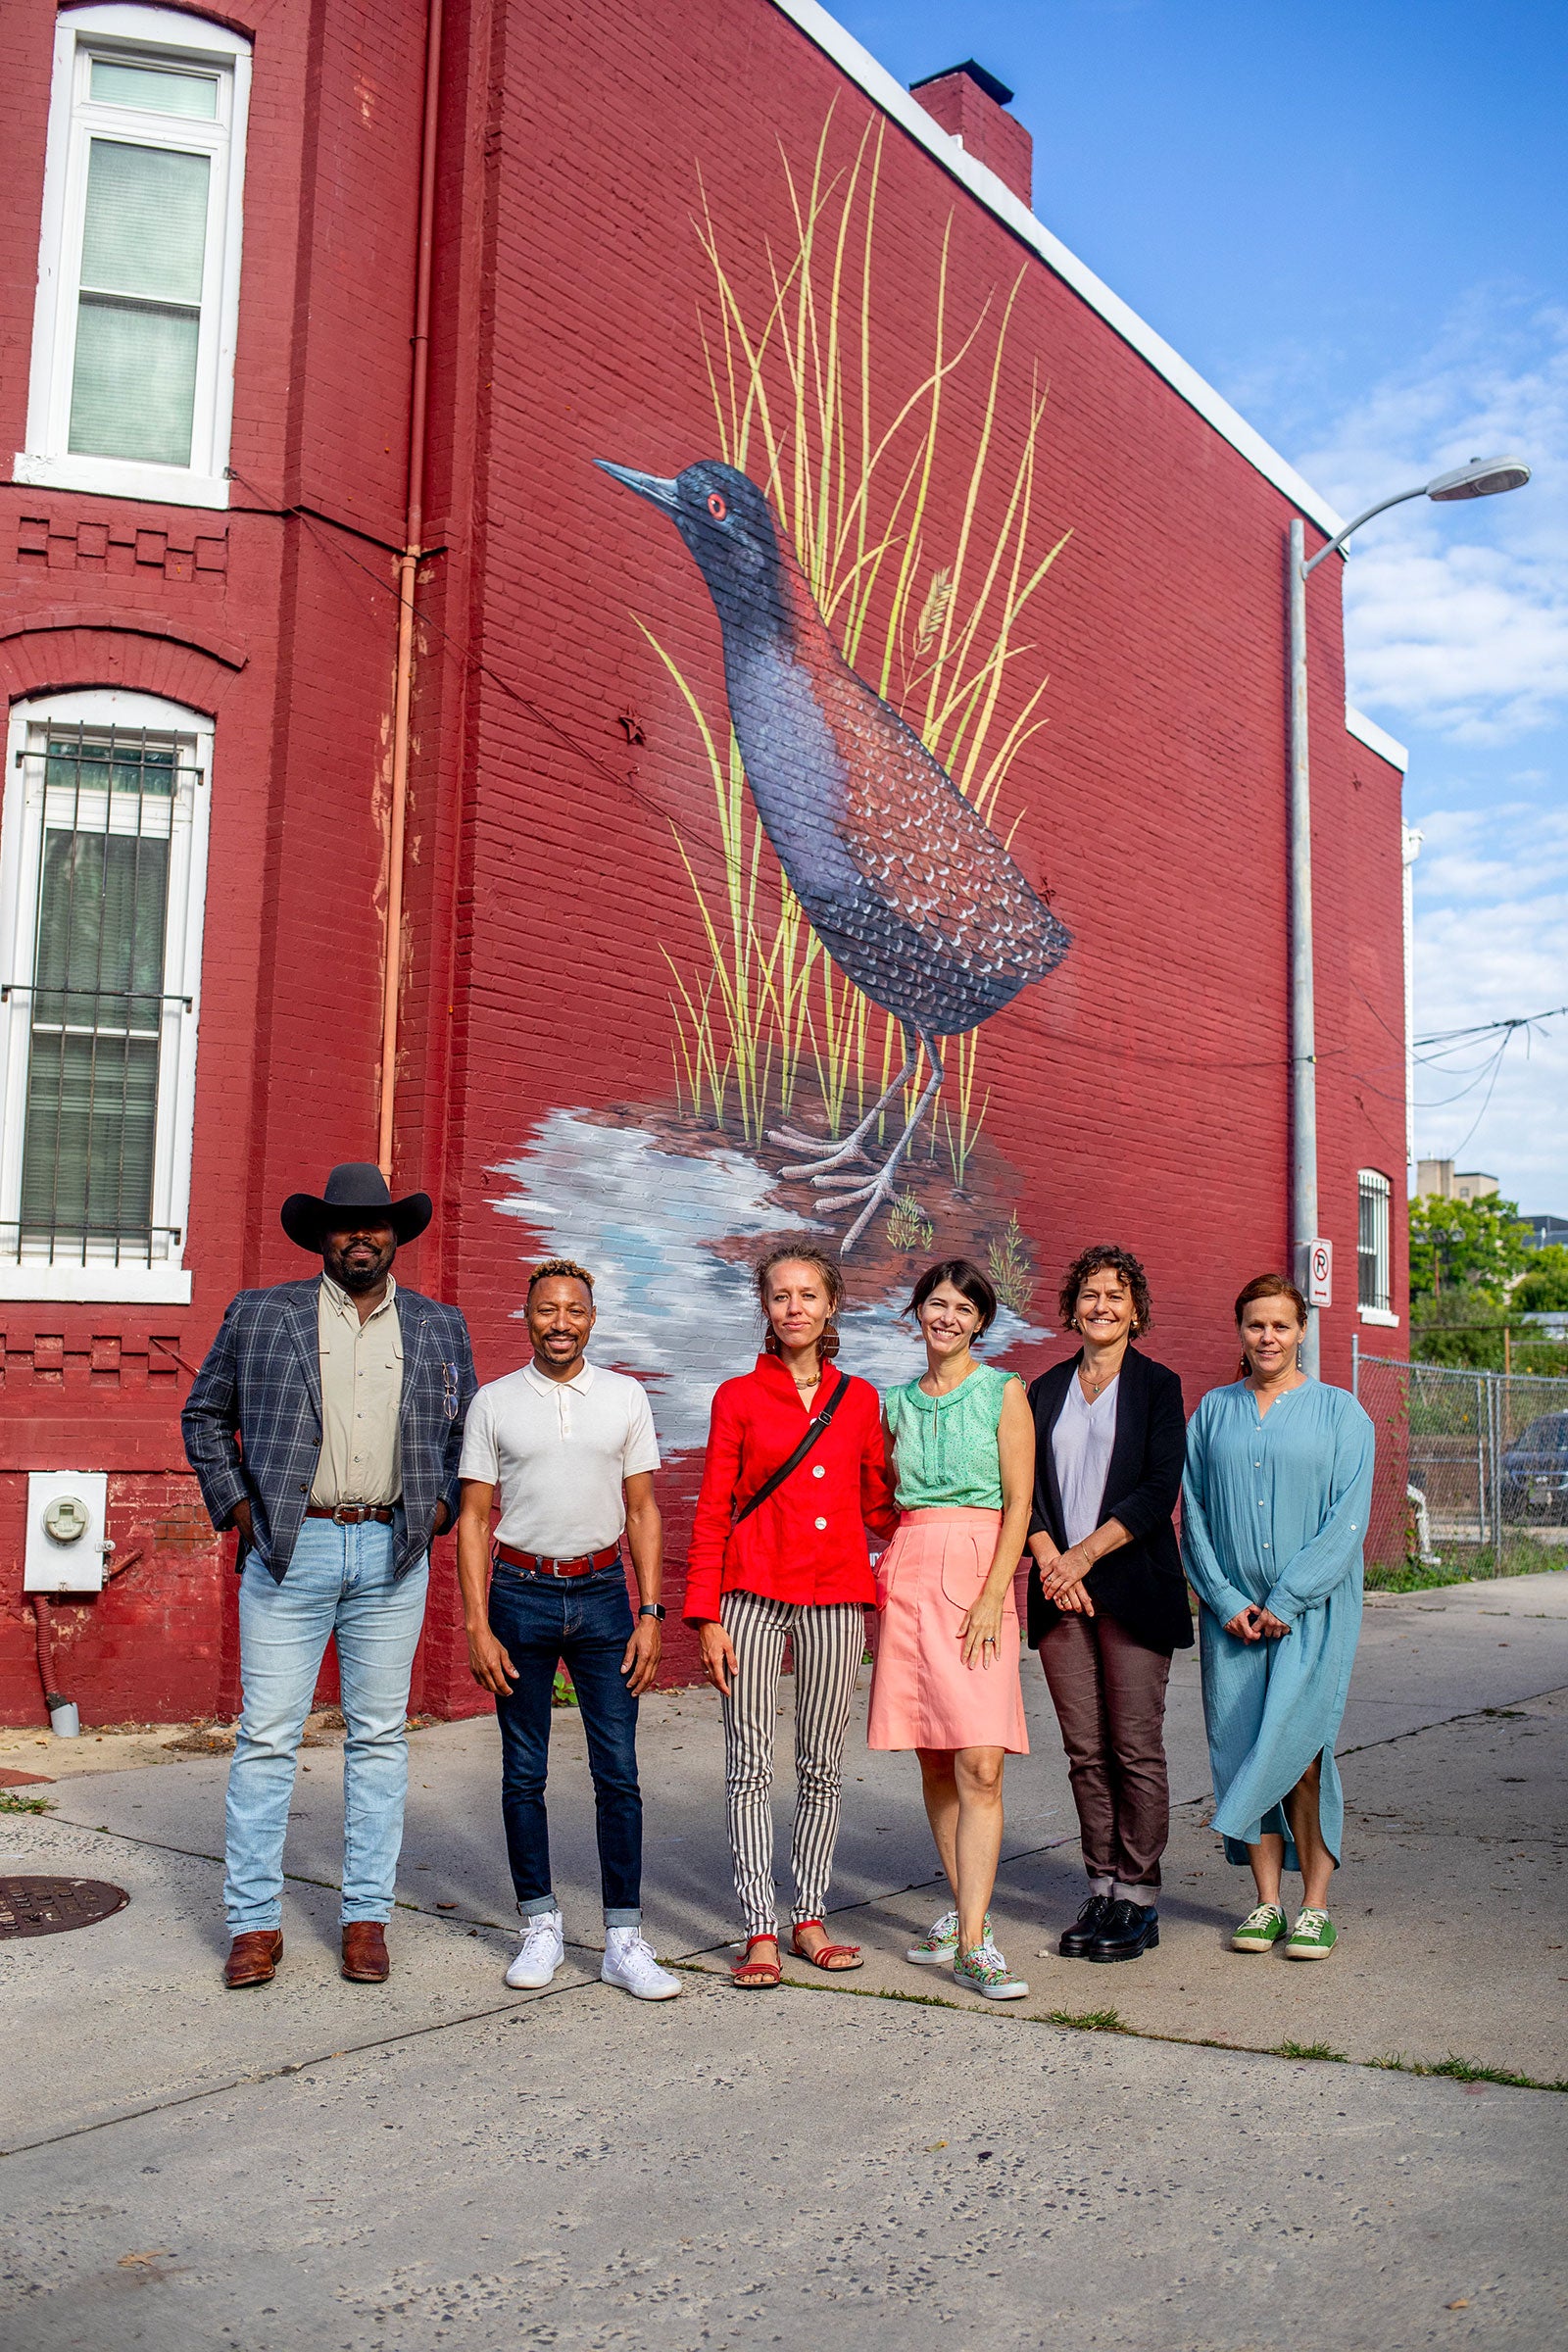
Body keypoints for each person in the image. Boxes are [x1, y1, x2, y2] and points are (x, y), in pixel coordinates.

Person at [183, 1163, 476, 1989]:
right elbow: (205, 1415)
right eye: (345, 1223)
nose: (361, 1235)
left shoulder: (438, 1325)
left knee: (379, 1740)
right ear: (321, 1235)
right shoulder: (262, 1314)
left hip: (392, 1551)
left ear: (396, 1236)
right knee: (268, 1739)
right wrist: (240, 1509)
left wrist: (441, 1511)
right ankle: (253, 1925)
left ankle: (366, 1919)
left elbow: (467, 1433)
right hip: (289, 1549)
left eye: (376, 1223)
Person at [456, 1258, 681, 2001]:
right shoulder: (494, 1402)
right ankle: (540, 1923)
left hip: (605, 1597)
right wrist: (478, 1623)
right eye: (547, 1310)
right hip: (518, 1593)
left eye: (574, 1311)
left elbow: (644, 1510)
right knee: (524, 1772)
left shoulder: (624, 1397)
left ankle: (623, 1937)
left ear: (592, 1318)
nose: (560, 1322)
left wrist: (651, 1612)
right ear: (526, 1318)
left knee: (618, 1772)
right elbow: (474, 1520)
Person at [686, 1247, 896, 1988]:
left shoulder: (861, 1400)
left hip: (837, 1597)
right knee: (749, 1766)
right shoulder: (737, 1397)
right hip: (749, 1597)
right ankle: (758, 1928)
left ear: (831, 1305)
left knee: (822, 1766)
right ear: (766, 1309)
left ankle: (808, 1914)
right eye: (781, 1296)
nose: (795, 1307)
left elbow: (879, 1505)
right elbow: (713, 1512)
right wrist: (705, 1615)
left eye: (809, 1295)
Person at [1181, 1274, 1375, 1962]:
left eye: (1281, 1326)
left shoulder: (1342, 1414)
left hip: (1311, 1613)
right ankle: (1265, 1904)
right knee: (1241, 1752)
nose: (1268, 1337)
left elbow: (1346, 1522)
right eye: (1256, 1325)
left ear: (1301, 1332)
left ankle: (1315, 1907)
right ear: (1241, 1331)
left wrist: (1288, 1600)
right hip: (1232, 1621)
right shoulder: (1212, 1412)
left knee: (1301, 1754)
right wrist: (1227, 1601)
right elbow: (1194, 1515)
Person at [871, 1258, 1036, 2000]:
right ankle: (969, 1916)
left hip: (980, 1573)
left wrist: (992, 1592)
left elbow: (1021, 1501)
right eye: (936, 1304)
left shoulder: (1004, 1392)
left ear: (979, 1322)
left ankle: (973, 1943)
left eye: (963, 1309)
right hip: (909, 1571)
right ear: (919, 1313)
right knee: (934, 1757)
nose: (948, 1317)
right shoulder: (893, 1403)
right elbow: (877, 1498)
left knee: (981, 1761)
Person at [1026, 1246, 1190, 1963]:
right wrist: (1048, 1562)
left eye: (1115, 1295)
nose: (1101, 1306)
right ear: (1073, 1307)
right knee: (1086, 1752)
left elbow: (1159, 1489)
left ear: (1136, 1309)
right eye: (1089, 1293)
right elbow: (1021, 1487)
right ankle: (1102, 1885)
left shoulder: (1158, 1386)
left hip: (1129, 1586)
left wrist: (1083, 1557)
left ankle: (1140, 1897)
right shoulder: (1043, 1389)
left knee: (1135, 1748)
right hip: (1059, 1591)